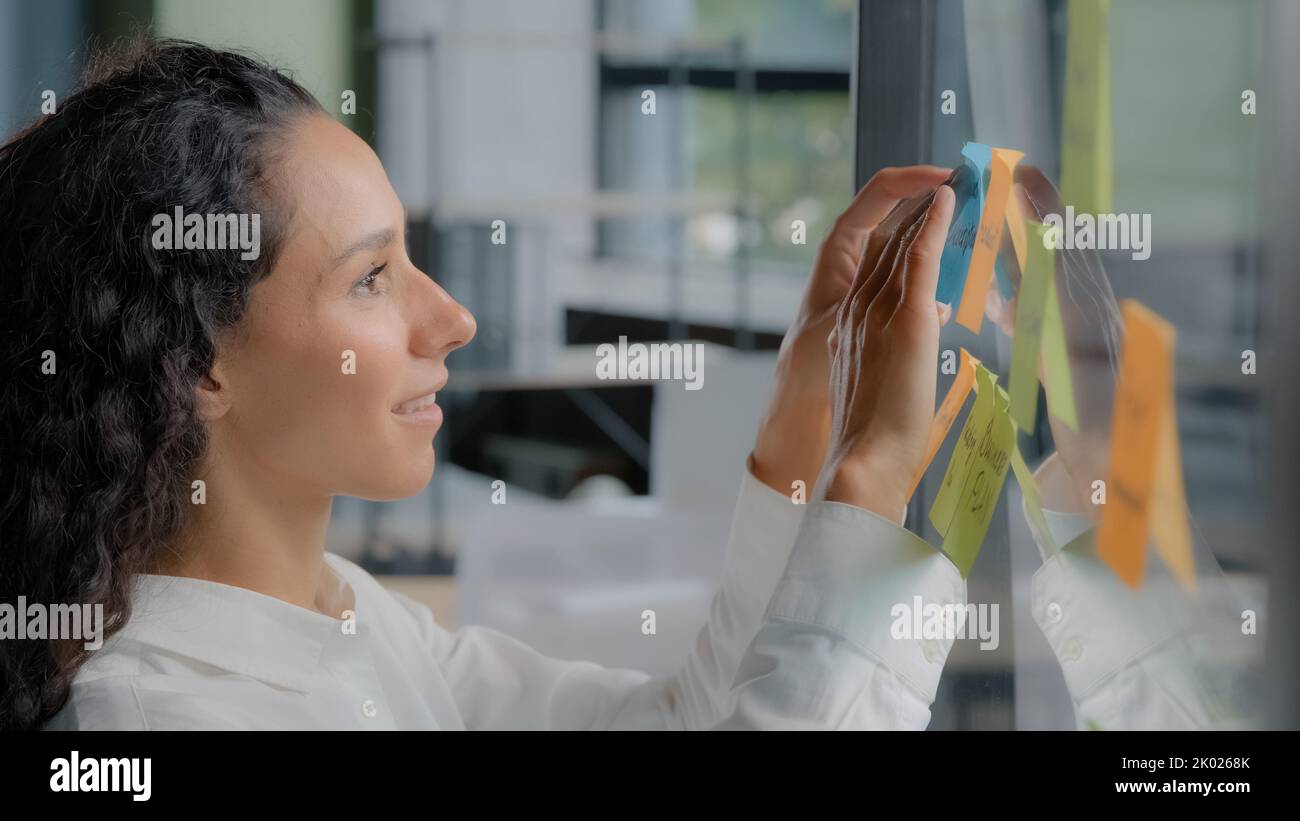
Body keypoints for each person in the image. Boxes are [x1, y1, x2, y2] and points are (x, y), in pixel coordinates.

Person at [0, 38, 1247, 731]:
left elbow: (674, 729)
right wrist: (877, 500)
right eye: (374, 279)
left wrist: (805, 425)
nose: (454, 315)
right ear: (200, 361)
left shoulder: (359, 627)